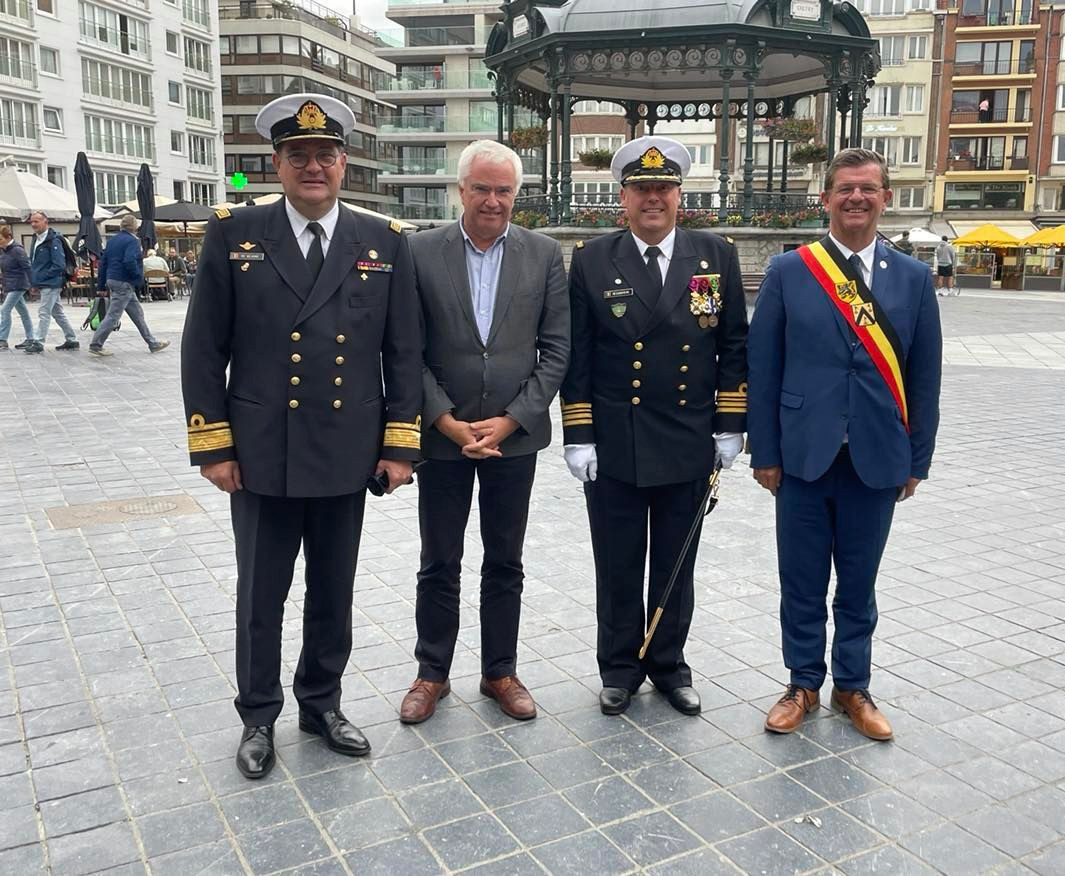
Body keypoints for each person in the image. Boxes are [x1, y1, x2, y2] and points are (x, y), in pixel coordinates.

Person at [180, 93, 423, 779]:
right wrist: (213, 444)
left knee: (333, 589)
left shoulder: (384, 241)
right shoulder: (235, 232)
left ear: (345, 162)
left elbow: (403, 352)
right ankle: (258, 714)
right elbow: (202, 348)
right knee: (261, 593)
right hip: (261, 452)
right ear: (278, 164)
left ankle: (321, 702)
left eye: (325, 155)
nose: (312, 166)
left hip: (347, 447)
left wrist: (400, 444)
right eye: (298, 156)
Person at [747, 148, 942, 741]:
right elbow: (764, 365)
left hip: (878, 456)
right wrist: (767, 452)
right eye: (845, 189)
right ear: (826, 199)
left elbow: (925, 374)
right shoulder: (791, 270)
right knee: (801, 579)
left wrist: (917, 459)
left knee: (859, 582)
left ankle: (852, 686)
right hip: (805, 454)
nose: (857, 198)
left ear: (885, 197)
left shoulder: (912, 276)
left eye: (869, 189)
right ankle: (802, 681)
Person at [560, 136, 748, 717]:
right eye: (641, 189)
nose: (653, 199)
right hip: (616, 439)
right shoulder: (594, 258)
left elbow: (734, 344)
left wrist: (730, 424)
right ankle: (619, 666)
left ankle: (668, 665)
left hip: (689, 440)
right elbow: (578, 354)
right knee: (616, 563)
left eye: (663, 188)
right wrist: (578, 433)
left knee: (676, 561)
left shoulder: (714, 255)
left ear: (678, 195)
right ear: (623, 196)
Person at [398, 140, 570, 725]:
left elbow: (557, 349)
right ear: (460, 190)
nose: (493, 201)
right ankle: (432, 672)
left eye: (504, 191)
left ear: (515, 195)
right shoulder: (418, 252)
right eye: (482, 189)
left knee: (505, 560)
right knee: (438, 560)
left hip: (512, 439)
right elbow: (406, 349)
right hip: (442, 437)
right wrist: (443, 419)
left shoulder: (544, 254)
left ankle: (501, 670)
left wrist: (514, 417)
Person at [90, 215, 170, 357]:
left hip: (112, 279)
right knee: (113, 315)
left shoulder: (112, 241)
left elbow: (103, 264)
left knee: (137, 313)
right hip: (125, 281)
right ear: (135, 227)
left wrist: (101, 286)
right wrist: (137, 278)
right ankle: (96, 344)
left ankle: (152, 343)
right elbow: (129, 261)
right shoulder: (133, 241)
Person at [25, 210, 78, 353]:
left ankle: (38, 342)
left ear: (45, 222)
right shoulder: (36, 239)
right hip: (44, 281)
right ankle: (72, 339)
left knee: (44, 312)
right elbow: (34, 262)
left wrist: (40, 279)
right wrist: (34, 281)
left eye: (36, 221)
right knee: (57, 312)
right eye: (32, 222)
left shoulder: (54, 240)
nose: (33, 224)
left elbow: (59, 265)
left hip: (52, 282)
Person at [0, 224, 35, 351]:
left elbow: (27, 267)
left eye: (0, 239)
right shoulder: (3, 250)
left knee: (4, 310)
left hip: (18, 285)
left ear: (8, 237)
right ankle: (31, 338)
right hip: (9, 285)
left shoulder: (17, 250)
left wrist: (33, 284)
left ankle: (2, 339)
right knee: (23, 312)